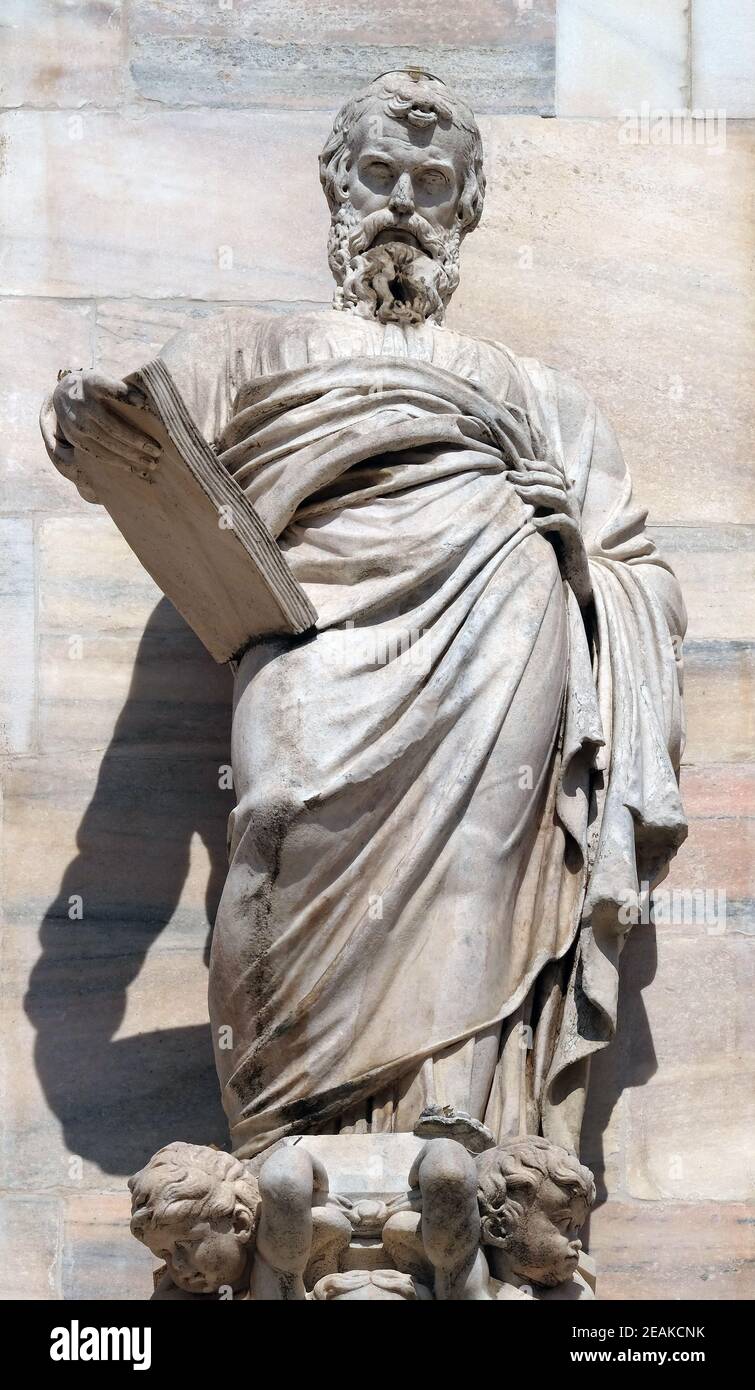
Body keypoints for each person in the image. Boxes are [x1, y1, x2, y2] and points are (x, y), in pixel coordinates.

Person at [42, 70, 687, 1163]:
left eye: (430, 182)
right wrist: (79, 424)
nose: (401, 200)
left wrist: (577, 560)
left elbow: (640, 571)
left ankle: (457, 1121)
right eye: (378, 175)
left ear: (464, 210)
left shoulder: (533, 391)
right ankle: (280, 1119)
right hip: (311, 638)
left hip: (499, 624)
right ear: (336, 191)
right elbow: (141, 436)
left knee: (480, 858)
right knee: (281, 813)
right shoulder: (251, 352)